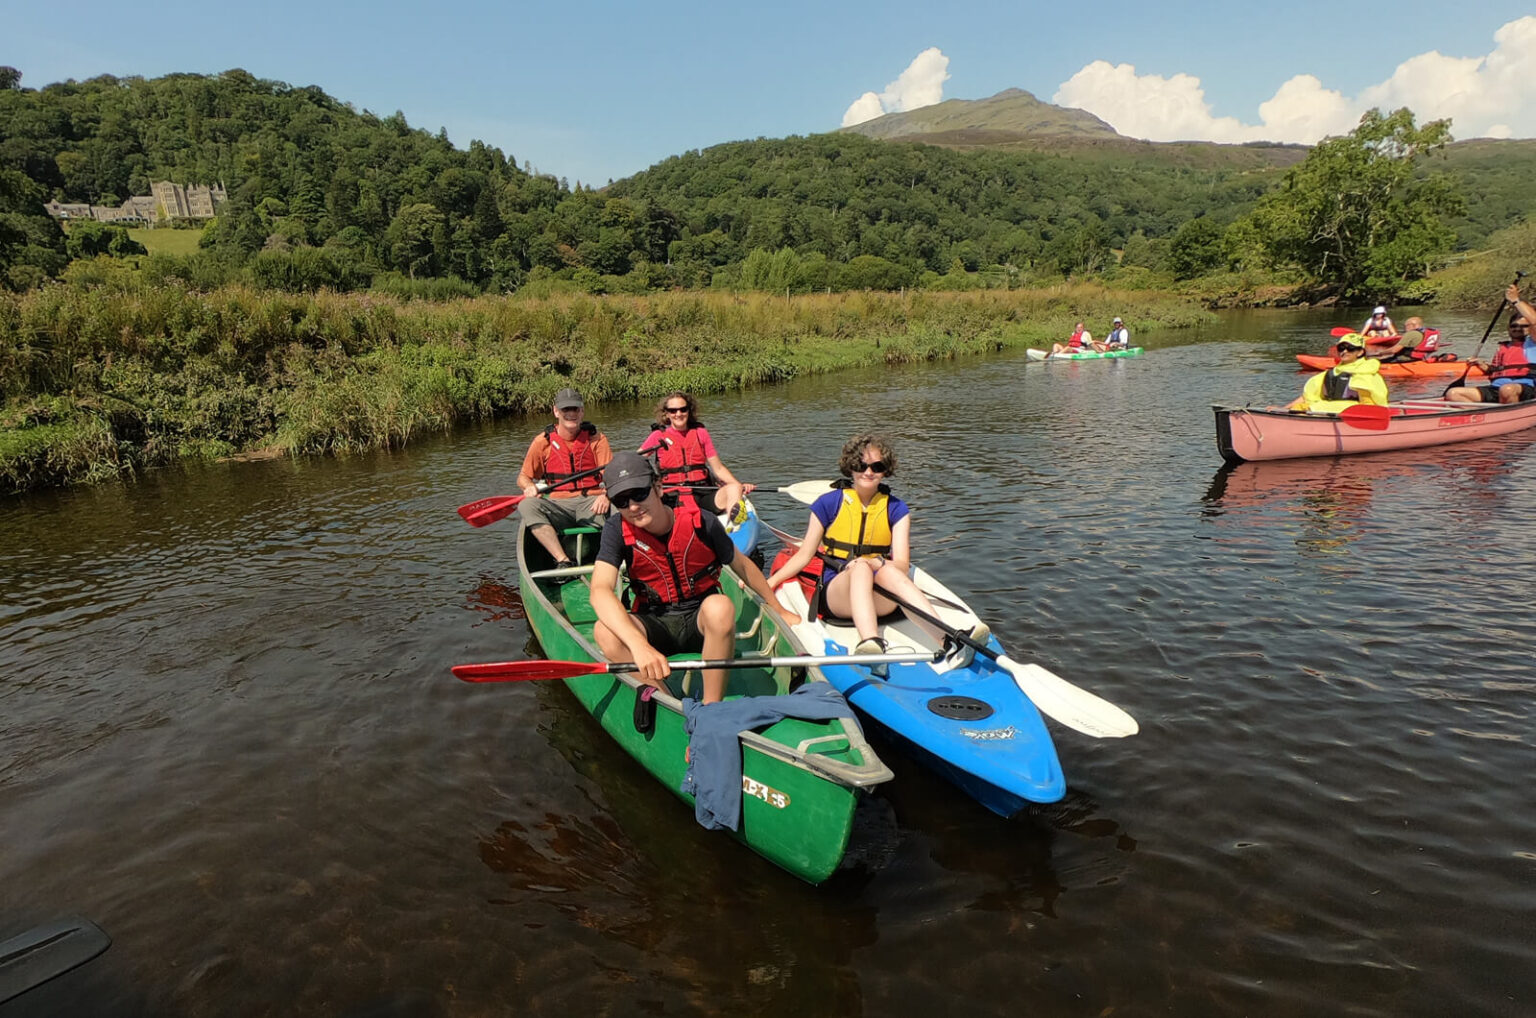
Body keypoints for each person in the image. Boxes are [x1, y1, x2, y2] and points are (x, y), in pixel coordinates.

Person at [588, 452, 797, 705]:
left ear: (658, 487)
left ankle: (711, 707)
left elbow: (742, 566)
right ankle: (664, 698)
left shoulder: (702, 522)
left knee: (721, 607)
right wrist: (638, 646)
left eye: (640, 494)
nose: (632, 506)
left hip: (700, 621)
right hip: (654, 621)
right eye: (621, 500)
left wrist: (778, 609)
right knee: (605, 632)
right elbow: (600, 590)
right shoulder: (615, 530)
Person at [766, 434, 984, 670]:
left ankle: (949, 640)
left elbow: (901, 565)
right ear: (850, 467)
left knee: (888, 573)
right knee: (860, 567)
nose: (868, 472)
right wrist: (770, 582)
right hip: (838, 595)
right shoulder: (827, 504)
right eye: (861, 466)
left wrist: (878, 563)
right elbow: (804, 555)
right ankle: (870, 643)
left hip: (880, 595)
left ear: (885, 471)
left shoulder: (896, 509)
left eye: (876, 467)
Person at [516, 387, 612, 570]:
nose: (570, 414)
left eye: (575, 409)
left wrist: (606, 495)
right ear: (556, 411)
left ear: (582, 411)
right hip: (558, 506)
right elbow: (523, 477)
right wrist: (529, 486)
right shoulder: (542, 442)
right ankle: (563, 561)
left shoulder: (597, 440)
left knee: (624, 506)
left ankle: (622, 559)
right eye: (565, 409)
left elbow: (612, 477)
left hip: (592, 504)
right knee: (526, 506)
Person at [636, 392, 747, 515]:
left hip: (702, 493)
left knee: (734, 488)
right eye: (673, 411)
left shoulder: (700, 433)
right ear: (666, 413)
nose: (678, 414)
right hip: (671, 496)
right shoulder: (658, 436)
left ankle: (735, 528)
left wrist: (739, 486)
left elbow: (719, 468)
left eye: (683, 409)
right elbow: (634, 462)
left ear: (689, 411)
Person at [1446, 284, 1536, 404]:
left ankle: (1508, 417)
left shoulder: (1532, 343)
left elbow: (1534, 321)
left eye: (1524, 326)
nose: (1518, 329)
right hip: (1497, 388)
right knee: (1454, 393)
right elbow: (1494, 371)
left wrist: (1515, 300)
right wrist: (1482, 365)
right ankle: (1482, 418)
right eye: (1514, 326)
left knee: (1507, 389)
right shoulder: (1504, 347)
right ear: (1508, 328)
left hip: (1526, 387)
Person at [1286, 333, 1389, 413]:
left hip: (1355, 410)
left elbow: (1369, 404)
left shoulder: (1365, 371)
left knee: (1307, 408)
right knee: (1298, 407)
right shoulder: (1332, 372)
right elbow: (1307, 396)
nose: (1344, 351)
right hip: (1332, 408)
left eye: (1350, 348)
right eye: (1341, 348)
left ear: (1360, 352)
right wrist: (1282, 409)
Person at [1368, 316, 1442, 362]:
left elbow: (1394, 350)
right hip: (1421, 358)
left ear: (1411, 325)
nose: (1405, 328)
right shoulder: (1428, 333)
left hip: (1406, 359)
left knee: (1375, 361)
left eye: (1406, 326)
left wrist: (1380, 353)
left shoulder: (1411, 334)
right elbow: (1435, 348)